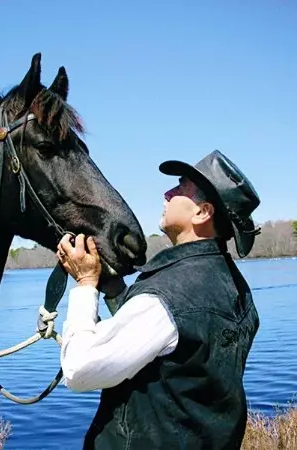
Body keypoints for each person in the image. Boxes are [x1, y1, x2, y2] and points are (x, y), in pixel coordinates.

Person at [56, 150, 261, 450]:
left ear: (203, 212)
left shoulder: (168, 295)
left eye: (181, 187)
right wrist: (113, 288)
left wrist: (86, 283)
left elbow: (78, 370)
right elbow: (170, 352)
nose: (168, 192)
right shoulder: (235, 287)